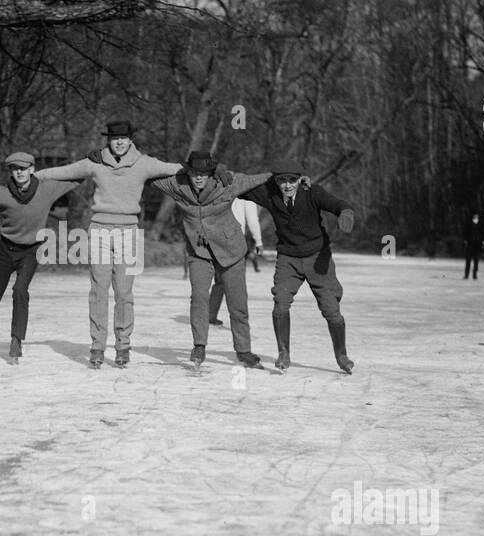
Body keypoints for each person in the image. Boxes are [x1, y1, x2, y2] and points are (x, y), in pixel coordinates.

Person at [35, 120, 181, 368]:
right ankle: (97, 346)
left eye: (123, 138)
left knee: (124, 292)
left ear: (130, 139)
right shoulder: (96, 162)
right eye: (115, 139)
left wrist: (208, 170)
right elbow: (66, 170)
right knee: (99, 290)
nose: (119, 142)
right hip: (100, 230)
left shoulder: (144, 163)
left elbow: (175, 168)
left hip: (129, 234)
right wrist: (35, 174)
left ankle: (123, 345)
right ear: (108, 141)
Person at [149, 152, 271, 367]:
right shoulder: (177, 185)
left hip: (231, 251)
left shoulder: (227, 182)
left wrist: (296, 177)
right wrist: (106, 159)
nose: (199, 178)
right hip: (199, 252)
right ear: (188, 173)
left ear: (211, 174)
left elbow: (260, 178)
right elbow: (144, 172)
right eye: (195, 173)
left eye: (204, 174)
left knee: (237, 303)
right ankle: (199, 346)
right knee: (198, 296)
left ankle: (244, 351)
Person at [0, 151, 79, 360]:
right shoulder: (3, 193)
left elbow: (77, 176)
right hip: (6, 249)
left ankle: (16, 340)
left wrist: (96, 160)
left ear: (32, 169)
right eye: (15, 169)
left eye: (23, 168)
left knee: (20, 290)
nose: (19, 172)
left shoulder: (47, 189)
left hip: (32, 251)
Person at [240, 163, 357, 373]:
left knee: (331, 308)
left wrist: (346, 214)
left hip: (317, 256)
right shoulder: (270, 194)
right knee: (281, 303)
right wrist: (222, 178)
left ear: (300, 179)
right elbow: (240, 187)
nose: (287, 186)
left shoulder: (312, 192)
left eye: (292, 180)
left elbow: (339, 204)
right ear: (276, 181)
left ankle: (342, 355)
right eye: (282, 180)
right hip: (288, 259)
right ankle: (283, 352)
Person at [208, 195, 264, 326]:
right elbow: (252, 219)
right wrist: (259, 241)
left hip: (217, 238)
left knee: (220, 280)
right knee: (237, 282)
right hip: (236, 240)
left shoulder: (218, 193)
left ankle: (210, 314)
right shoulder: (247, 196)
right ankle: (238, 319)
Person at [463, 212, 483, 280]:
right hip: (470, 246)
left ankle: (475, 275)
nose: (476, 219)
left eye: (477, 218)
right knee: (468, 261)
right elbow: (465, 234)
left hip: (477, 246)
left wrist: (483, 242)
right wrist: (465, 241)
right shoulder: (469, 225)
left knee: (476, 262)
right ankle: (466, 275)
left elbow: (483, 235)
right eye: (475, 218)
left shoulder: (480, 226)